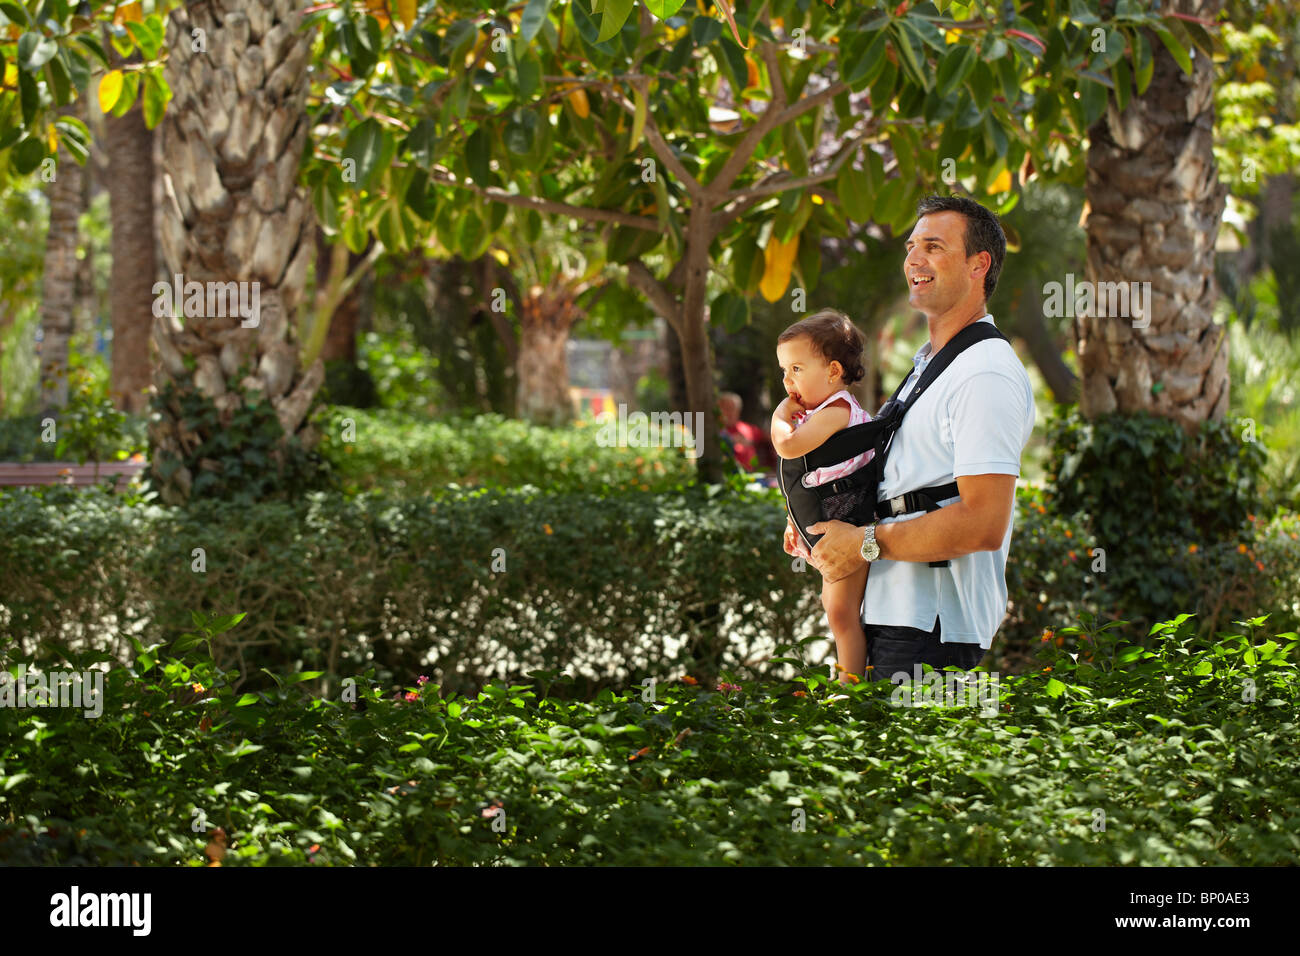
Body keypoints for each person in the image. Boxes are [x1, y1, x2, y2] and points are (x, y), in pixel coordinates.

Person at [786, 195, 1035, 684]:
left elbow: (983, 521)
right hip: (895, 613)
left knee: (919, 763)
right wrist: (819, 524)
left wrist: (865, 544)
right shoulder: (931, 365)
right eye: (911, 245)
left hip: (932, 627)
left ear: (978, 265)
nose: (913, 259)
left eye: (934, 246)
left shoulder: (985, 372)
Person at [771, 311, 875, 685]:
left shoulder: (838, 410)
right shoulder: (822, 413)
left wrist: (780, 415)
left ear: (832, 371)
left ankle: (851, 687)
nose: (787, 381)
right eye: (784, 371)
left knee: (841, 613)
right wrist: (793, 523)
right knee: (834, 608)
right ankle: (849, 680)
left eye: (796, 368)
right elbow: (816, 477)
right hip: (834, 525)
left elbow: (788, 447)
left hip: (848, 530)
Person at [719, 391, 777, 471]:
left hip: (752, 475)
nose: (730, 413)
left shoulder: (747, 428)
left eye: (734, 409)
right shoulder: (716, 431)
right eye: (727, 408)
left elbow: (769, 437)